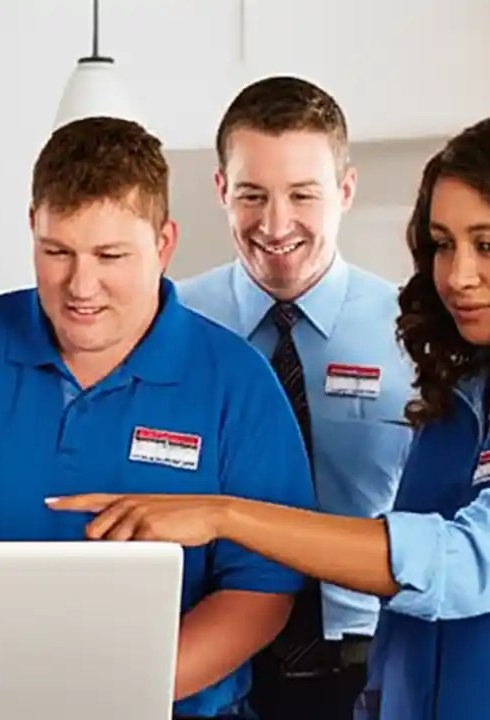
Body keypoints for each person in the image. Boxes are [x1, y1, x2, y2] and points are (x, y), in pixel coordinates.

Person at [47, 109, 490, 720]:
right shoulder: (461, 397)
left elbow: (460, 560)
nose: (458, 276)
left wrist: (226, 516)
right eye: (443, 245)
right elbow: (409, 629)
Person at [0, 115, 317, 719]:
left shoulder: (239, 382)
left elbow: (261, 591)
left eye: (110, 255)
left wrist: (107, 690)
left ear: (164, 244)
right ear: (31, 230)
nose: (80, 285)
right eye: (56, 252)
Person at [176, 76, 413, 719]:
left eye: (302, 195)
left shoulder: (415, 329)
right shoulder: (169, 323)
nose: (275, 224)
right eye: (252, 195)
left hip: (366, 655)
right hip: (205, 653)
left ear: (345, 191)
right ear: (222, 191)